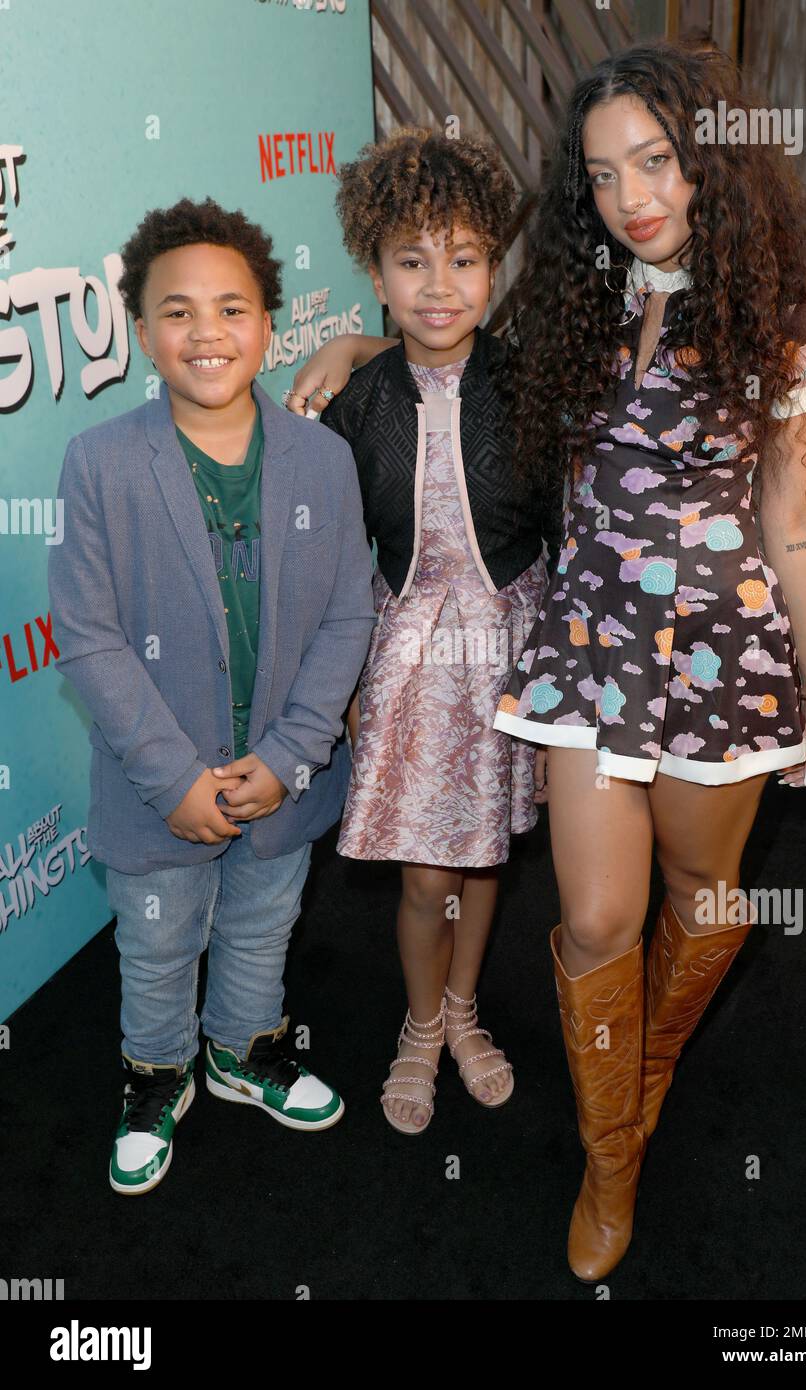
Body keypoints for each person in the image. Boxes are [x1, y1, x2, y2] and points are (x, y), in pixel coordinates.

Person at [489, 40, 806, 1279]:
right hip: (591, 642)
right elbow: (459, 354)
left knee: (706, 894)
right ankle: (612, 1160)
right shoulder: (579, 292)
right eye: (601, 175)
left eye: (653, 161)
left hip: (722, 653)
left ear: (711, 159)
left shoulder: (785, 311)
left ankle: (643, 1064)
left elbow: (791, 512)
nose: (629, 197)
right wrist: (357, 353)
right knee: (595, 917)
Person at [47, 196, 376, 1194]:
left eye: (231, 309)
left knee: (264, 921)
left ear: (268, 325)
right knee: (157, 942)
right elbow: (88, 637)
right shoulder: (101, 463)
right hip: (159, 792)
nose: (207, 333)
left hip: (282, 777)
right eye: (177, 311)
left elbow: (347, 618)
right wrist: (173, 778)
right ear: (141, 331)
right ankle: (156, 1073)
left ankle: (243, 1047)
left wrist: (289, 756)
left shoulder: (324, 458)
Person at [286, 129, 560, 1135]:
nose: (439, 287)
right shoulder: (351, 406)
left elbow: (567, 530)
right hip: (408, 657)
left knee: (482, 856)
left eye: (464, 259)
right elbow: (327, 560)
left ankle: (464, 1010)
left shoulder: (532, 387)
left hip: (511, 650)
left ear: (493, 268)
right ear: (375, 274)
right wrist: (344, 686)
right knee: (425, 869)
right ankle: (418, 1024)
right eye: (412, 262)